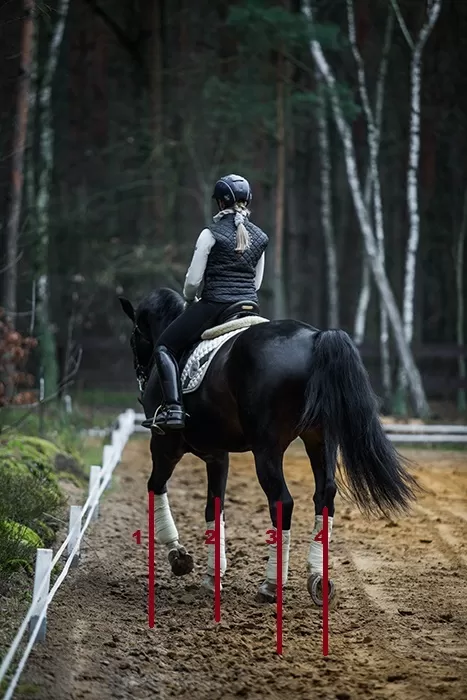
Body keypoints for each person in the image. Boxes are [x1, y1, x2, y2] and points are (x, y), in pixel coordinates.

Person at [143, 173, 269, 432]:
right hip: (250, 308)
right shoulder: (260, 237)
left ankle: (174, 409)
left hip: (216, 305)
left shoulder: (209, 234)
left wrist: (190, 300)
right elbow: (256, 284)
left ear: (220, 203)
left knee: (165, 346)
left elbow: (192, 281)